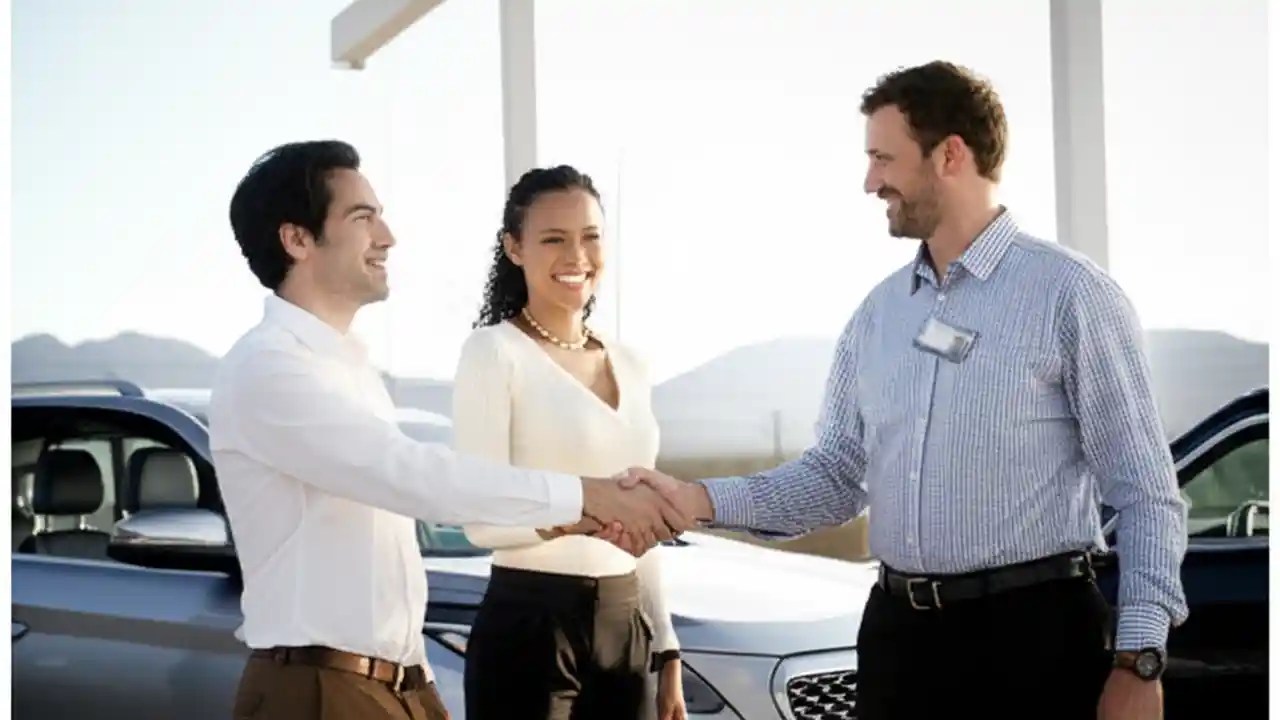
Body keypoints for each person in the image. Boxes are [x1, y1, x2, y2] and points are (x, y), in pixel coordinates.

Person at [622, 61, 1188, 720]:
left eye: (883, 158)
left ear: (950, 155)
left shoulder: (1071, 296)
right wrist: (696, 500)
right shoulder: (879, 315)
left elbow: (1146, 493)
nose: (870, 182)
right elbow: (836, 475)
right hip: (899, 643)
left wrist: (1139, 661)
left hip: (1032, 642)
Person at [210, 141, 692, 720]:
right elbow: (414, 477)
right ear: (297, 239)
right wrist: (590, 497)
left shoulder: (347, 367)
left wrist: (417, 679)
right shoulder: (268, 368)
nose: (387, 237)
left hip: (392, 682)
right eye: (363, 218)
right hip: (318, 688)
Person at [453, 165, 686, 720]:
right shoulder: (493, 353)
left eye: (590, 236)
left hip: (626, 623)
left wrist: (666, 647)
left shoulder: (631, 363)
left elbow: (645, 520)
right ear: (514, 248)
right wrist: (583, 513)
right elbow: (479, 520)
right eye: (553, 239)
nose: (576, 255)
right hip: (529, 623)